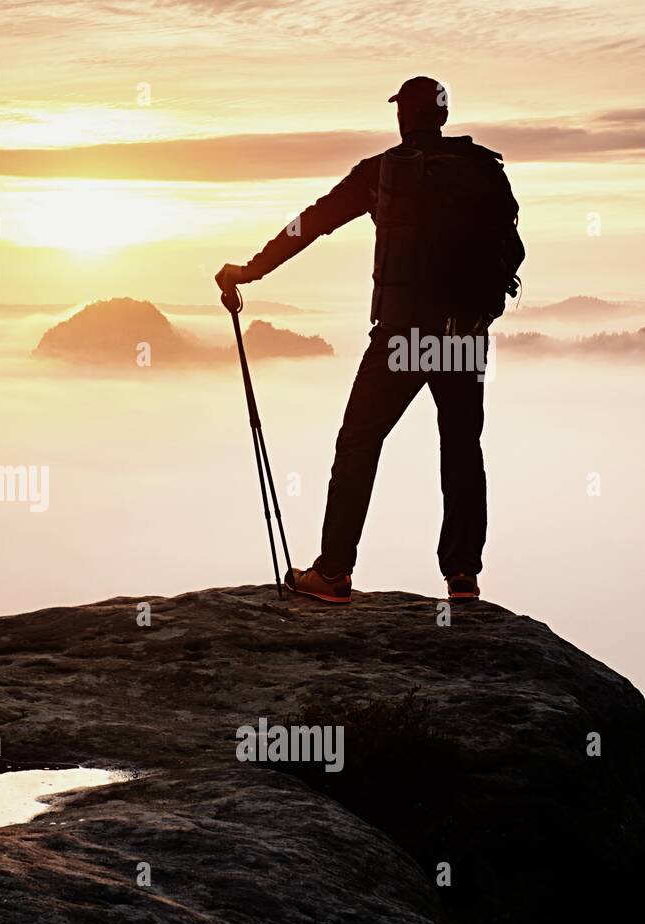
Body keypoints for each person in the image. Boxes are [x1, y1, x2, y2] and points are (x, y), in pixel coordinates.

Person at [217, 76, 524, 604]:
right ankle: (462, 577)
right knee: (461, 449)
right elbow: (512, 253)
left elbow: (309, 225)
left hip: (403, 336)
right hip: (465, 336)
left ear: (403, 117)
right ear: (443, 117)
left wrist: (251, 271)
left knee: (359, 442)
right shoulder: (484, 170)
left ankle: (333, 573)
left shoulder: (381, 173)